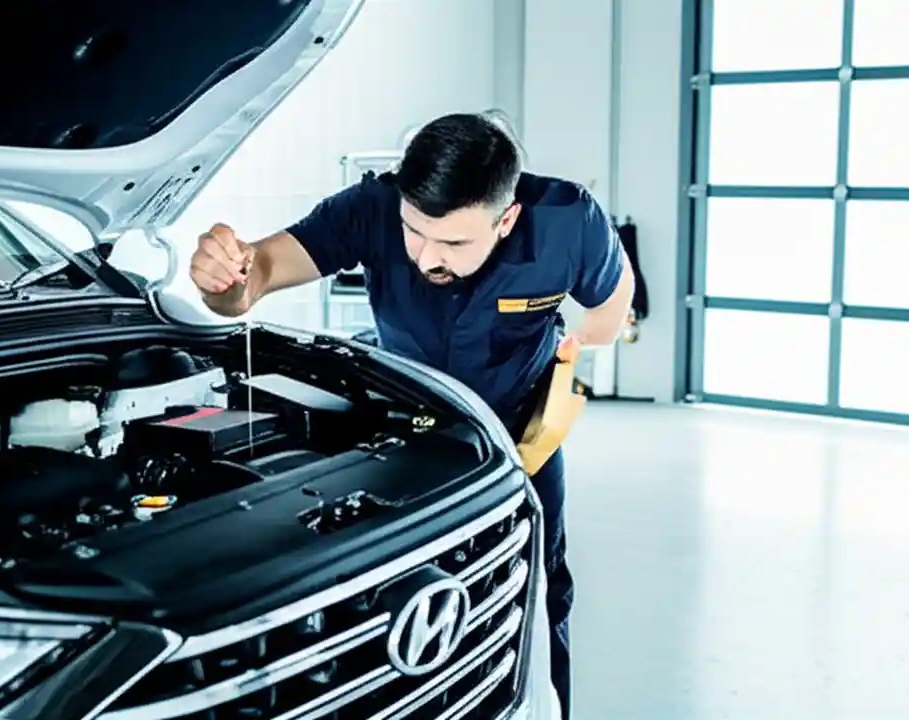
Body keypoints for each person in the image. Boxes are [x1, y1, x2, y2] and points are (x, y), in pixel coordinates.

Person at [188, 110, 635, 718]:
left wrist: (577, 348)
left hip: (518, 433)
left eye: (454, 242)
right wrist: (225, 280)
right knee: (385, 587)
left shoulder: (568, 223)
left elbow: (615, 300)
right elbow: (256, 275)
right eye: (414, 231)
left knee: (541, 582)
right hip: (404, 427)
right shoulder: (370, 207)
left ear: (506, 221)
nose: (427, 257)